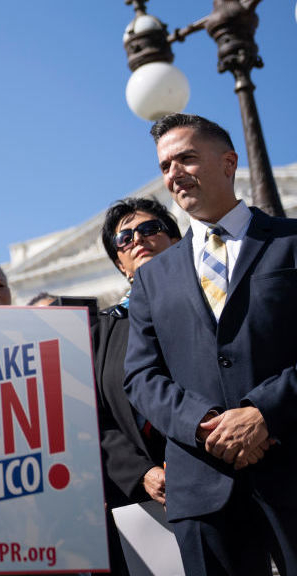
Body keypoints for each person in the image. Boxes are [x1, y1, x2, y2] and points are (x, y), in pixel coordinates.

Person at [124, 113, 297, 575]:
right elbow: (141, 376)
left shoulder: (291, 243)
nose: (173, 174)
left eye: (186, 158)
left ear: (228, 162)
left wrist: (264, 413)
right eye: (165, 166)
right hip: (202, 488)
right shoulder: (150, 279)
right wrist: (204, 425)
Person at [93, 197, 181, 574]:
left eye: (149, 229)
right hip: (141, 506)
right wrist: (142, 474)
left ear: (177, 241)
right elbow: (92, 417)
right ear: (119, 263)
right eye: (124, 239)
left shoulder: (211, 308)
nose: (138, 240)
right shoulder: (100, 332)